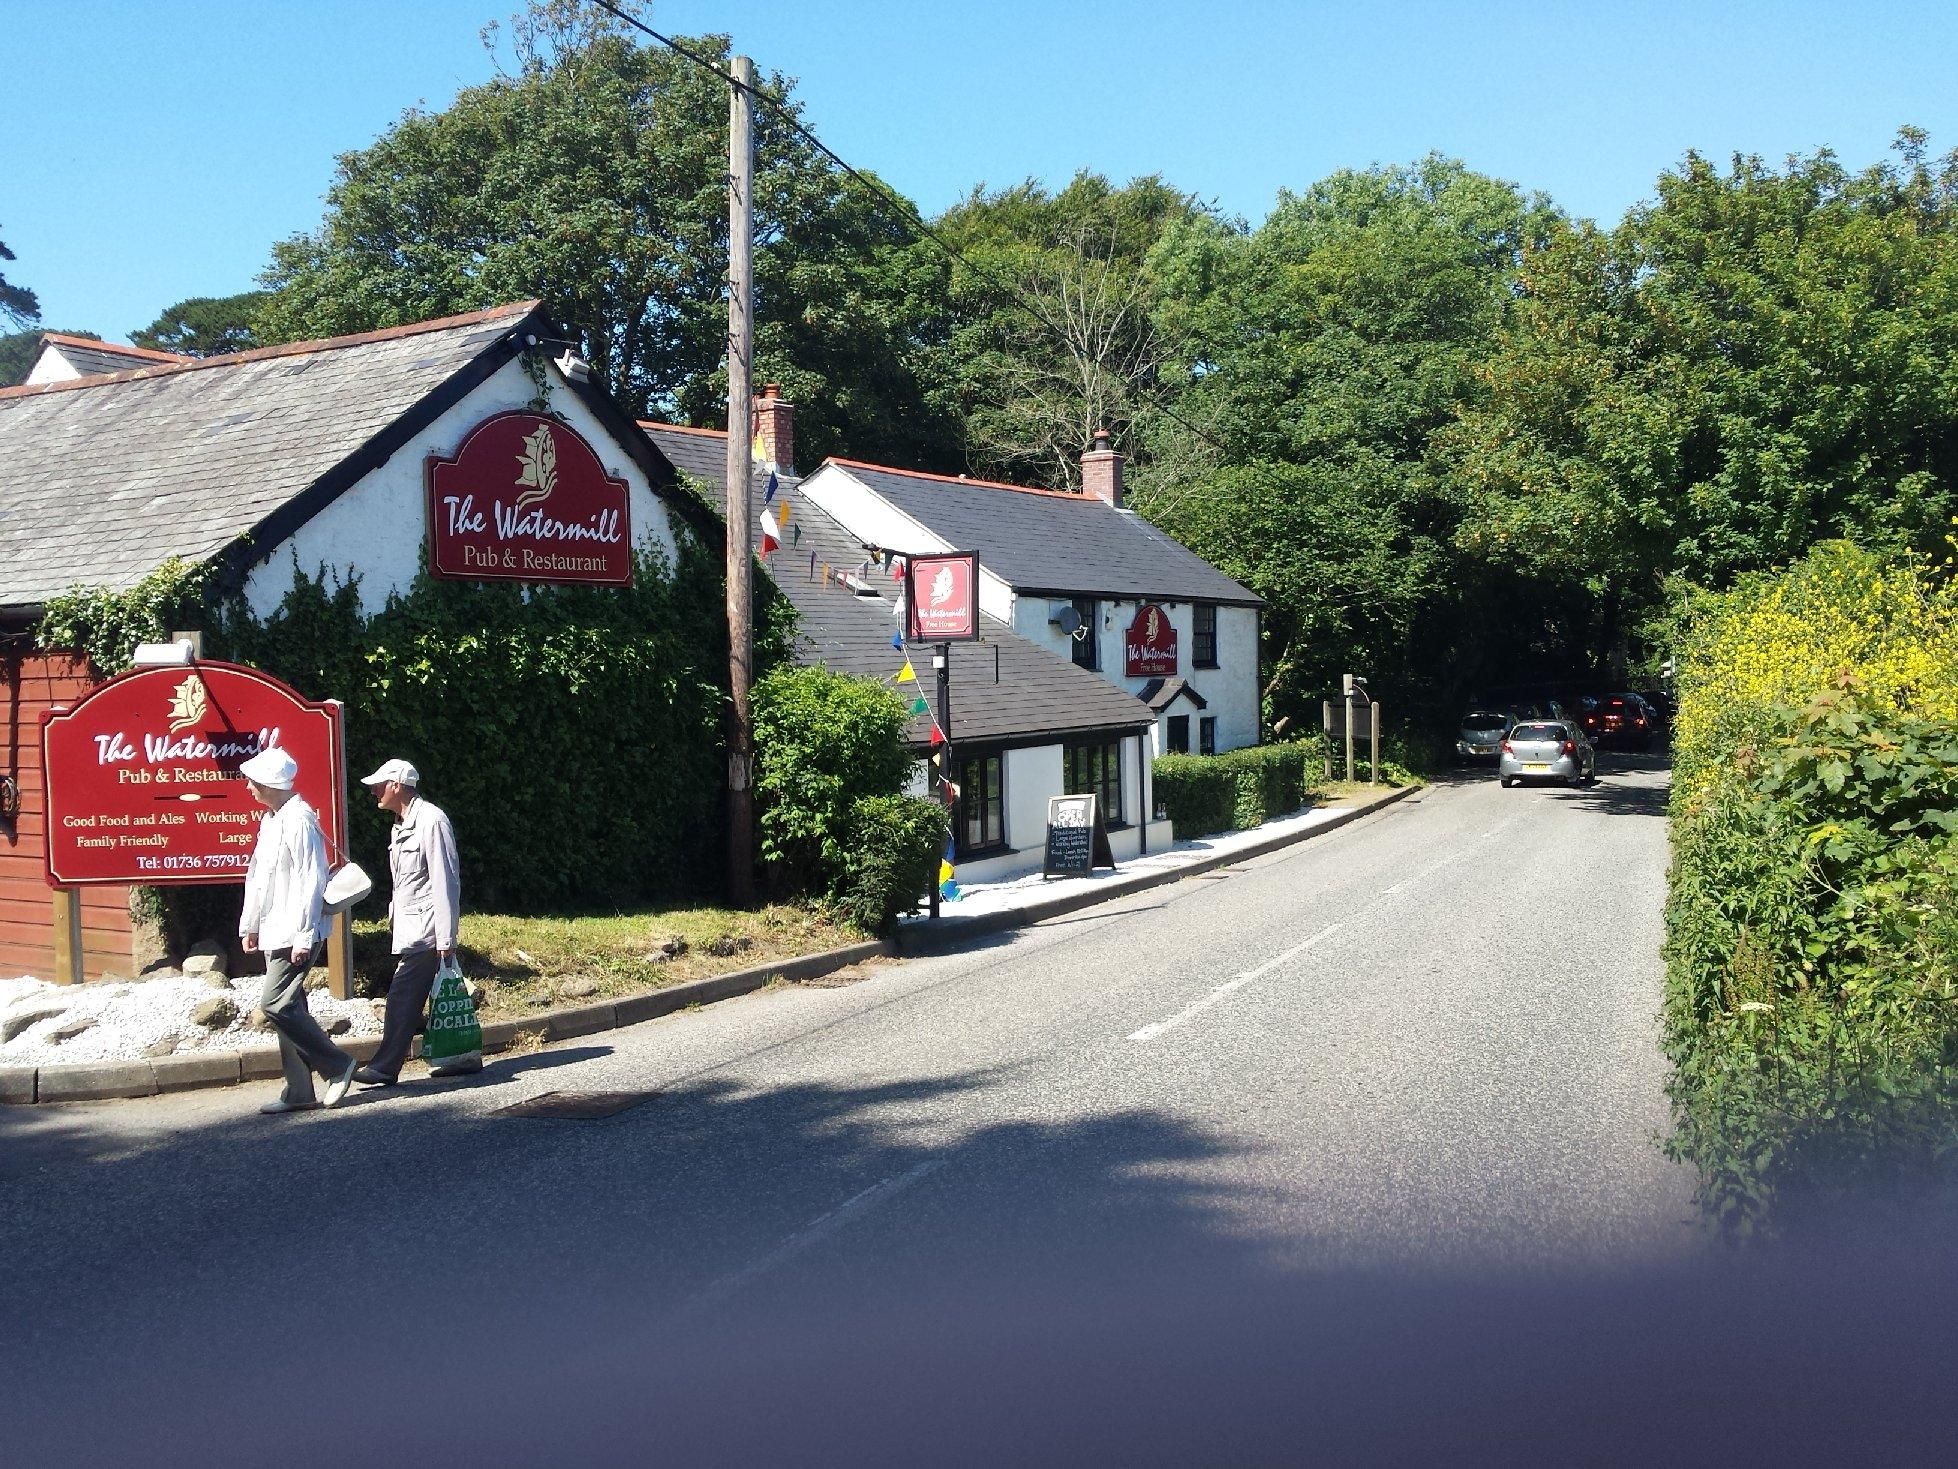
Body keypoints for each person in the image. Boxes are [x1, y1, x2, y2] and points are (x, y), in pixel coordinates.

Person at [238, 747, 357, 1114]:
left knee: (274, 1004)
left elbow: (311, 880)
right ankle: (299, 1090)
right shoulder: (272, 819)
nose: (248, 787)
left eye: (253, 781)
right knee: (290, 1005)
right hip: (276, 929)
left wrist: (305, 935)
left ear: (270, 783)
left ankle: (337, 1066)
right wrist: (251, 925)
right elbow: (258, 878)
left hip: (295, 931)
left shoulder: (299, 818)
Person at [353, 758, 468, 1086]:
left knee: (401, 997)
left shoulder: (431, 820)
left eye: (379, 784)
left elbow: (446, 880)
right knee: (415, 997)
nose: (374, 790)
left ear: (396, 785)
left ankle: (385, 1067)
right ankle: (460, 1057)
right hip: (412, 929)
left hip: (428, 932)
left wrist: (446, 938)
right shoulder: (402, 823)